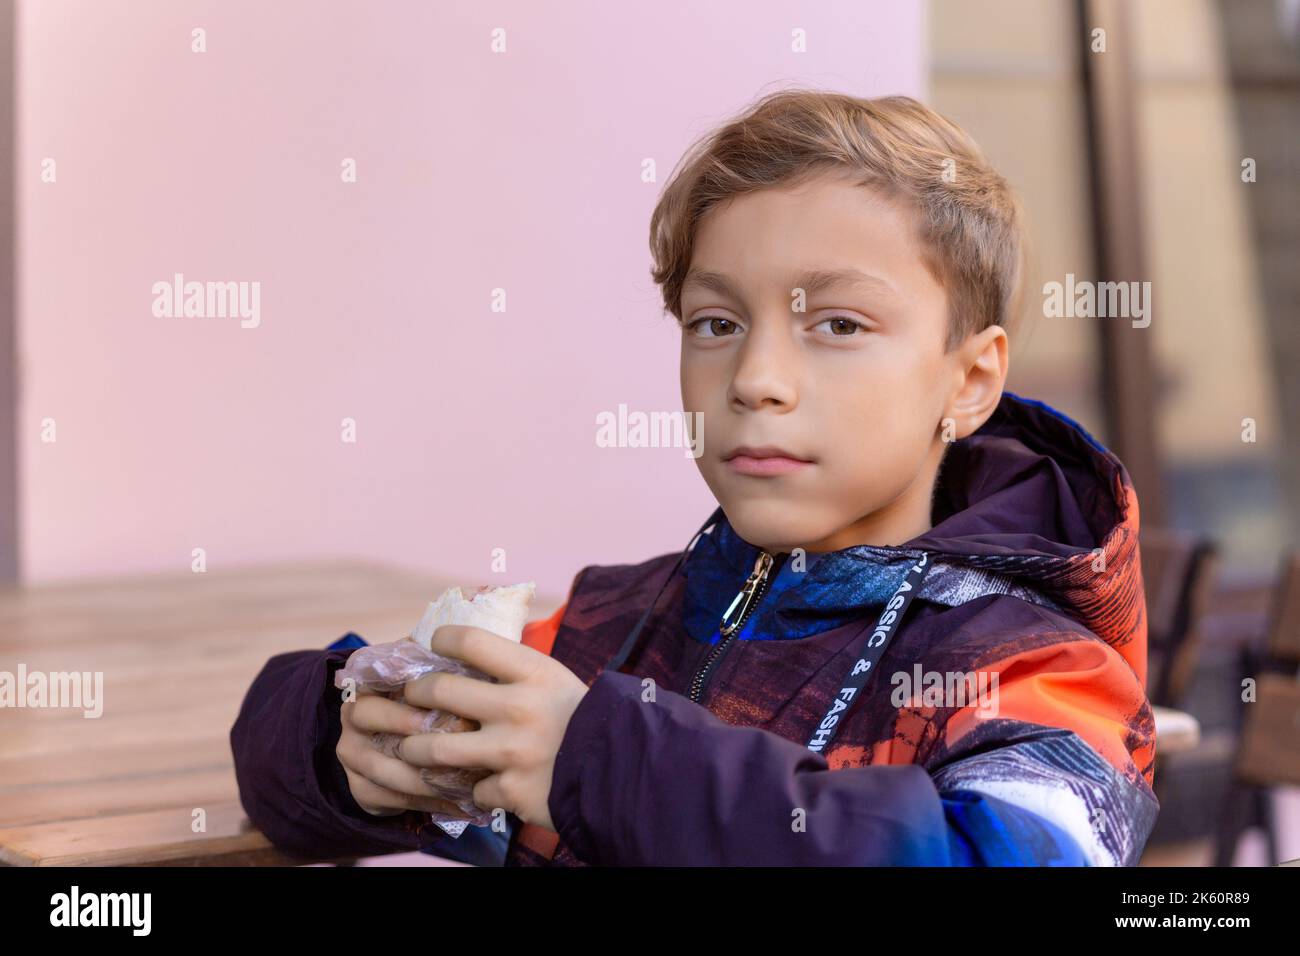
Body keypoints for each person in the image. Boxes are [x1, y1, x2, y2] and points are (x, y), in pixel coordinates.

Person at [230, 89, 1159, 866]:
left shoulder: (1034, 671)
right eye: (716, 323)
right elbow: (271, 757)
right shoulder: (611, 627)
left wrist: (603, 765)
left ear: (969, 380)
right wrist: (340, 741)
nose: (755, 379)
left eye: (837, 324)